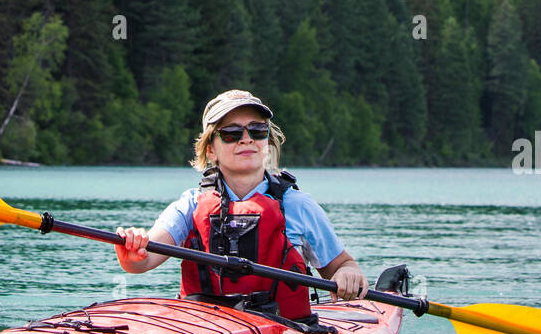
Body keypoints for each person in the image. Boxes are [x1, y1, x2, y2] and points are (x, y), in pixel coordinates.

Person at [116, 90, 369, 316]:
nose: (246, 139)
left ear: (267, 145)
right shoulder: (190, 205)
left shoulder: (298, 206)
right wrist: (133, 251)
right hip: (207, 329)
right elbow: (144, 260)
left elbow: (342, 265)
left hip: (285, 333)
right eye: (231, 133)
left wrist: (348, 273)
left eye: (257, 131)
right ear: (210, 150)